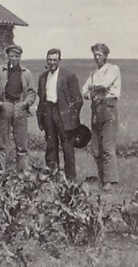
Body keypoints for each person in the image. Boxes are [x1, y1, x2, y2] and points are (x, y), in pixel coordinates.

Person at [36, 48, 84, 180]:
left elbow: (78, 100)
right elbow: (41, 98)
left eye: (54, 60)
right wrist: (41, 116)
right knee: (51, 145)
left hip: (63, 114)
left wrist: (72, 119)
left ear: (59, 61)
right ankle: (53, 175)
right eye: (49, 60)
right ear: (46, 60)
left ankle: (71, 179)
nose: (52, 62)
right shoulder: (43, 77)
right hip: (48, 111)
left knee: (67, 146)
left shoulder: (68, 76)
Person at [82, 42, 123, 188]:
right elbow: (84, 91)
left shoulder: (113, 69)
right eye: (94, 54)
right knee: (96, 147)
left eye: (99, 54)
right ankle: (102, 179)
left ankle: (110, 181)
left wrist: (93, 89)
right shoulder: (93, 73)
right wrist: (92, 91)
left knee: (107, 146)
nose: (96, 57)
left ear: (106, 55)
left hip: (108, 108)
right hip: (96, 109)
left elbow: (104, 85)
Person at [0, 44, 37, 174]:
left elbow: (31, 92)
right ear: (7, 56)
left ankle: (22, 173)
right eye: (11, 55)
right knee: (2, 143)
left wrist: (25, 104)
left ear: (20, 57)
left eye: (16, 56)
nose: (13, 58)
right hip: (5, 105)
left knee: (22, 144)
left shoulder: (26, 73)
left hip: (20, 106)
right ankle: (0, 172)